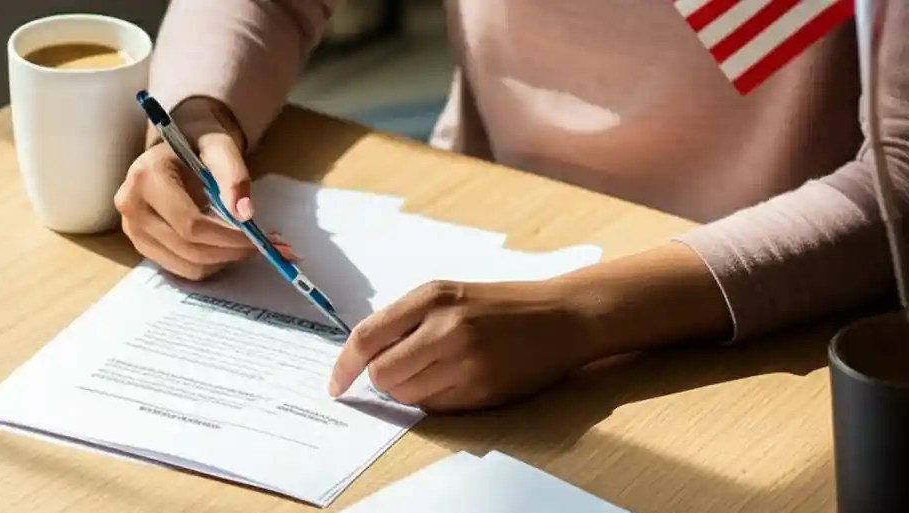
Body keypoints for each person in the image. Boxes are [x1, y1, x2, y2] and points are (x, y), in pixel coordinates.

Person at [114, 0, 908, 411]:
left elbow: (896, 184)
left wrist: (577, 314)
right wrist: (198, 116)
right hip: (474, 243)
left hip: (762, 318)